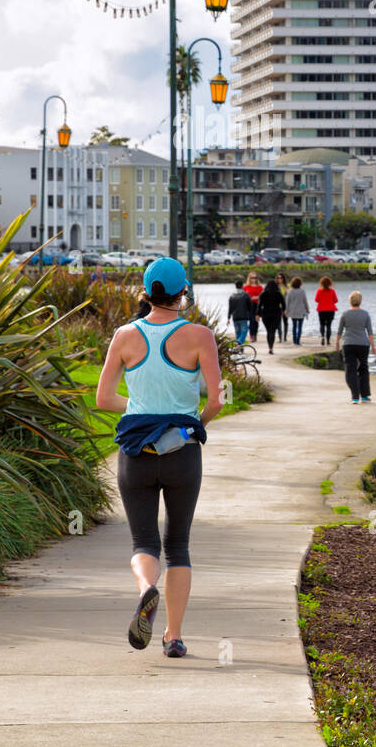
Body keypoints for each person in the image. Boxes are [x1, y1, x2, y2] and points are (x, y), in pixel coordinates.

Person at [97, 257, 222, 659]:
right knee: (178, 545)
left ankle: (146, 589)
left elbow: (103, 399)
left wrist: (140, 409)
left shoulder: (124, 335)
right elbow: (217, 401)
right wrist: (190, 425)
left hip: (135, 452)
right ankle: (173, 636)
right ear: (182, 293)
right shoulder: (200, 335)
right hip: (181, 452)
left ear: (147, 292)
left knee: (144, 541)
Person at [335, 290, 376, 404]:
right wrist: (373, 346)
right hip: (363, 344)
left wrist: (337, 343)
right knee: (363, 368)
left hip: (348, 344)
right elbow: (370, 332)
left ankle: (355, 396)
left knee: (350, 369)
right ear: (360, 301)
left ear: (350, 301)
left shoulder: (345, 314)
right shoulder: (365, 314)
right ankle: (364, 395)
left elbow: (339, 331)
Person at [257, 278, 286, 354]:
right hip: (276, 314)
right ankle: (271, 348)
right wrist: (282, 311)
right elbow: (283, 304)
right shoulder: (278, 293)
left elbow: (259, 305)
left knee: (268, 331)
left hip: (265, 314)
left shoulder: (263, 294)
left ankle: (269, 347)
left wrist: (258, 314)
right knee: (272, 331)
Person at [284, 275, 310, 344]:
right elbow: (305, 301)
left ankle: (294, 340)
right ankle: (298, 341)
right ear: (300, 283)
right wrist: (307, 309)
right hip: (301, 311)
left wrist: (286, 311)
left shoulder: (290, 291)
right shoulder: (302, 291)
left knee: (294, 326)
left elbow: (287, 302)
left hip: (293, 312)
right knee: (300, 327)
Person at [227, 279, 253, 345]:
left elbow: (230, 308)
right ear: (242, 286)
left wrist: (228, 317)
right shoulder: (246, 295)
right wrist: (251, 315)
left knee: (237, 333)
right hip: (243, 317)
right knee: (244, 332)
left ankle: (239, 350)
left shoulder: (232, 296)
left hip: (235, 317)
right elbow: (250, 306)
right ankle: (239, 342)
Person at [315, 276, 338, 345]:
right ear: (330, 283)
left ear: (321, 283)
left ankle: (322, 337)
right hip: (330, 310)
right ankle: (328, 341)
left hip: (321, 310)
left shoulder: (319, 291)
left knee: (322, 324)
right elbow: (336, 300)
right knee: (329, 326)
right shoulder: (332, 291)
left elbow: (316, 300)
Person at [243, 270, 263, 344]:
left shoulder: (260, 287)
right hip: (249, 306)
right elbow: (244, 297)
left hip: (257, 306)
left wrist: (257, 297)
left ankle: (255, 334)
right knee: (251, 321)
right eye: (252, 278)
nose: (254, 279)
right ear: (249, 278)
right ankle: (251, 335)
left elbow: (262, 297)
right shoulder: (246, 287)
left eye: (255, 278)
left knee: (256, 321)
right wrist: (251, 298)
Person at [275, 272, 289, 341]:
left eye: (281, 278)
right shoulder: (275, 286)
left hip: (285, 306)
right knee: (278, 323)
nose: (279, 279)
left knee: (285, 322)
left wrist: (287, 291)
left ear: (283, 278)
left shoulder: (287, 286)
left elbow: (289, 296)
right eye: (278, 278)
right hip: (277, 307)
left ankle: (285, 337)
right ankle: (280, 337)